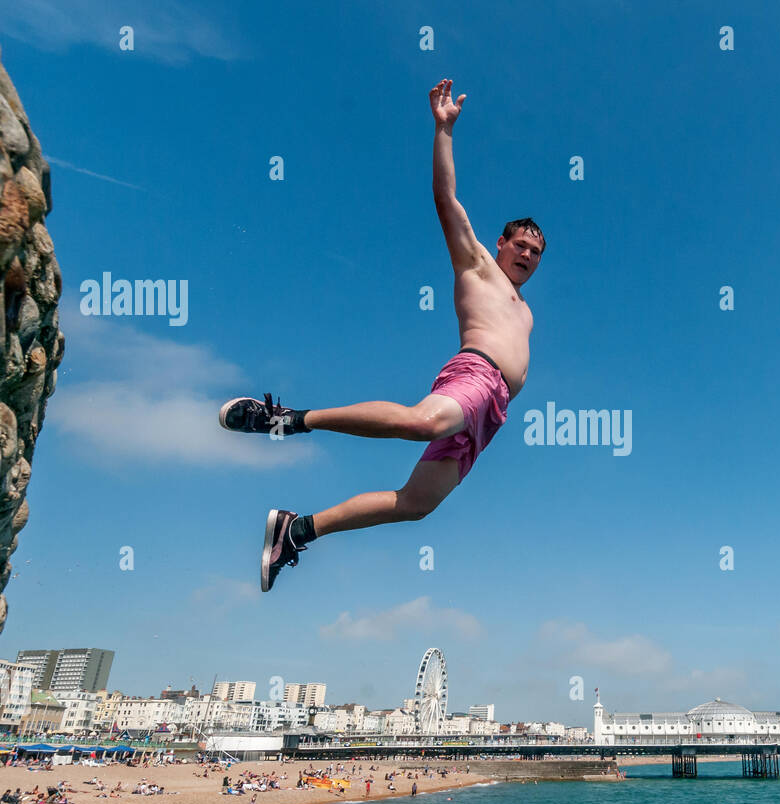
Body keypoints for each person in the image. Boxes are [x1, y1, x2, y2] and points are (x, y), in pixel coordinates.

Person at [218, 78, 545, 592]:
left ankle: (297, 530)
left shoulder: (524, 311)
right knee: (421, 422)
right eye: (521, 245)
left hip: (492, 412)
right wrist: (444, 131)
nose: (527, 256)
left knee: (415, 504)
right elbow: (446, 198)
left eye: (535, 253)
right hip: (476, 376)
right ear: (500, 243)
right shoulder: (479, 266)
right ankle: (285, 419)